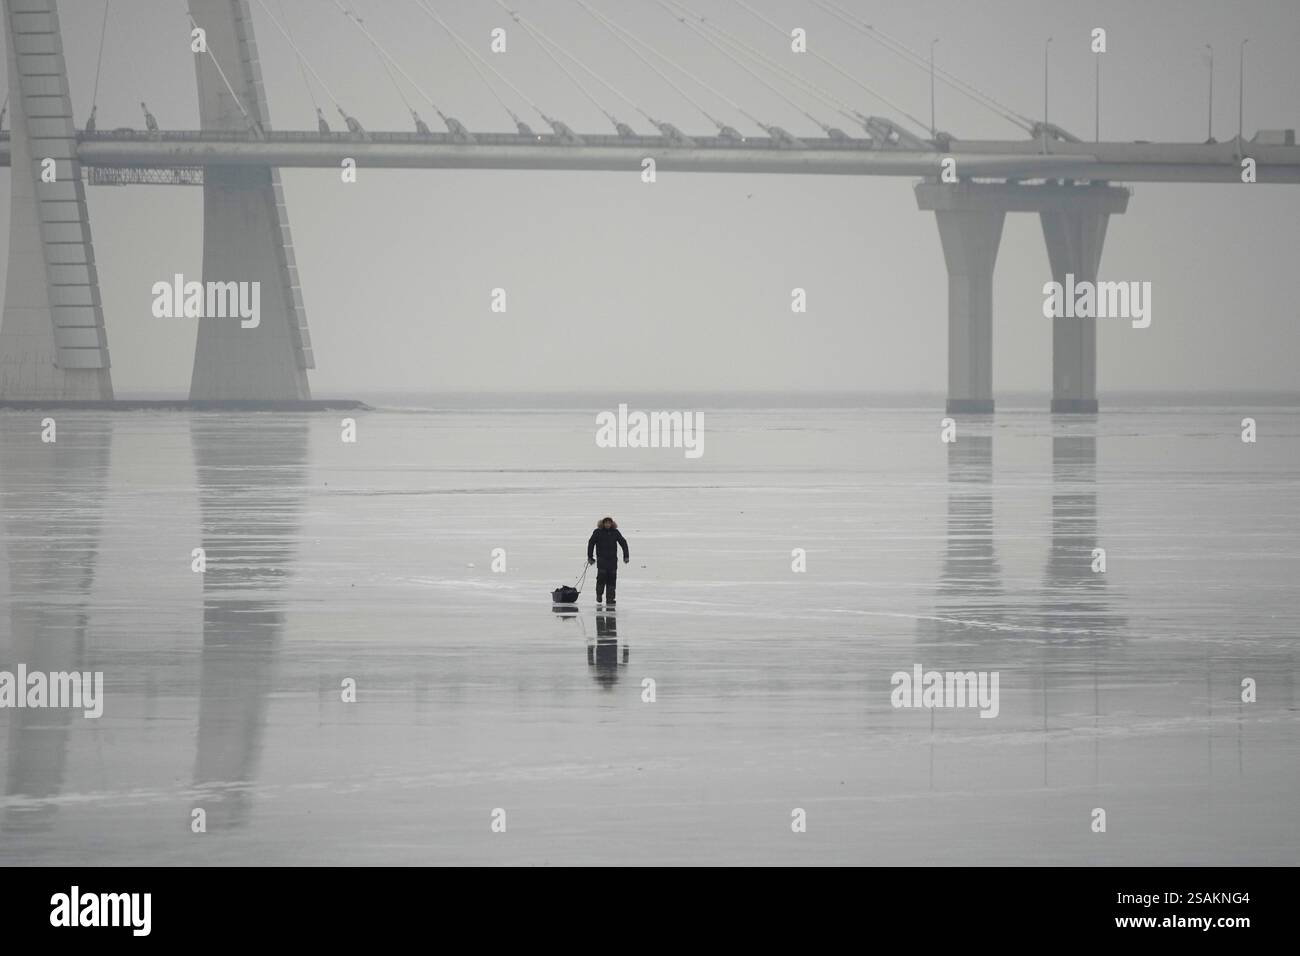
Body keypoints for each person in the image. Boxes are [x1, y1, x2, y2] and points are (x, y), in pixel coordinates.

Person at [587, 517, 629, 607]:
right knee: (601, 580)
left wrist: (626, 556)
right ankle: (599, 595)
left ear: (611, 524)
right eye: (606, 523)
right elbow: (591, 543)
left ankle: (610, 599)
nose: (607, 524)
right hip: (602, 561)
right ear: (603, 523)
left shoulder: (615, 532)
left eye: (609, 523)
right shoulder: (597, 532)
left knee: (611, 581)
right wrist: (590, 557)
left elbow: (623, 543)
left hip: (612, 561)